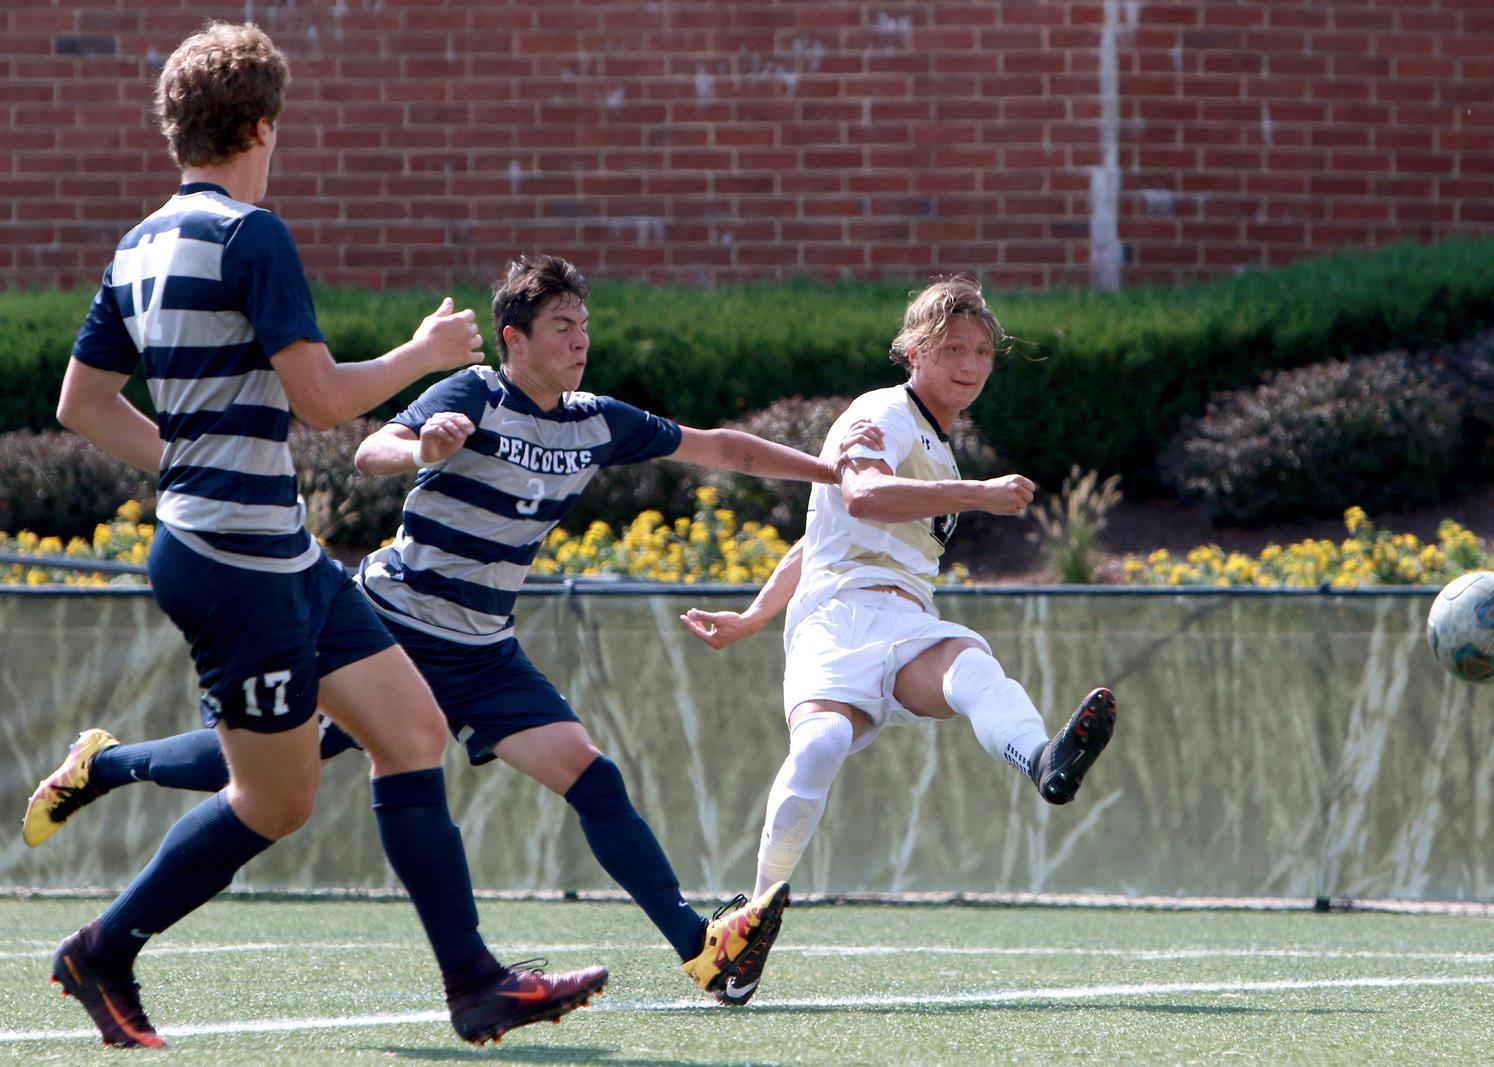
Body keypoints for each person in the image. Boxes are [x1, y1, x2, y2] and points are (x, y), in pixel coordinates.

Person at [25, 252, 883, 1008]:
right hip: (387, 629)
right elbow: (371, 453)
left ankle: (699, 948)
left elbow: (723, 447)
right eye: (560, 325)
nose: (580, 340)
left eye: (584, 324)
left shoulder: (594, 419)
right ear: (513, 338)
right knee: (247, 769)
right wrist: (423, 447)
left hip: (483, 649)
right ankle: (105, 762)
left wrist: (829, 474)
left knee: (592, 775)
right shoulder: (472, 391)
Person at [45, 22, 606, 1049]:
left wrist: (187, 465)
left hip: (278, 552)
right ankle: (102, 948)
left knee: (412, 732)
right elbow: (316, 398)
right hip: (234, 563)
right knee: (276, 799)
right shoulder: (251, 233)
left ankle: (475, 982)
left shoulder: (141, 242)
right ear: (263, 121)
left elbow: (81, 403)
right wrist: (423, 350)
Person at [677, 274, 1119, 1001]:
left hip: (906, 617)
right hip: (836, 619)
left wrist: (751, 617)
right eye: (952, 347)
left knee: (969, 664)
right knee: (817, 747)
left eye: (982, 351)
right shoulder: (882, 410)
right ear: (914, 350)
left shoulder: (937, 446)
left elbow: (815, 535)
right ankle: (750, 923)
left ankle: (1042, 757)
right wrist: (976, 494)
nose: (970, 363)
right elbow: (859, 496)